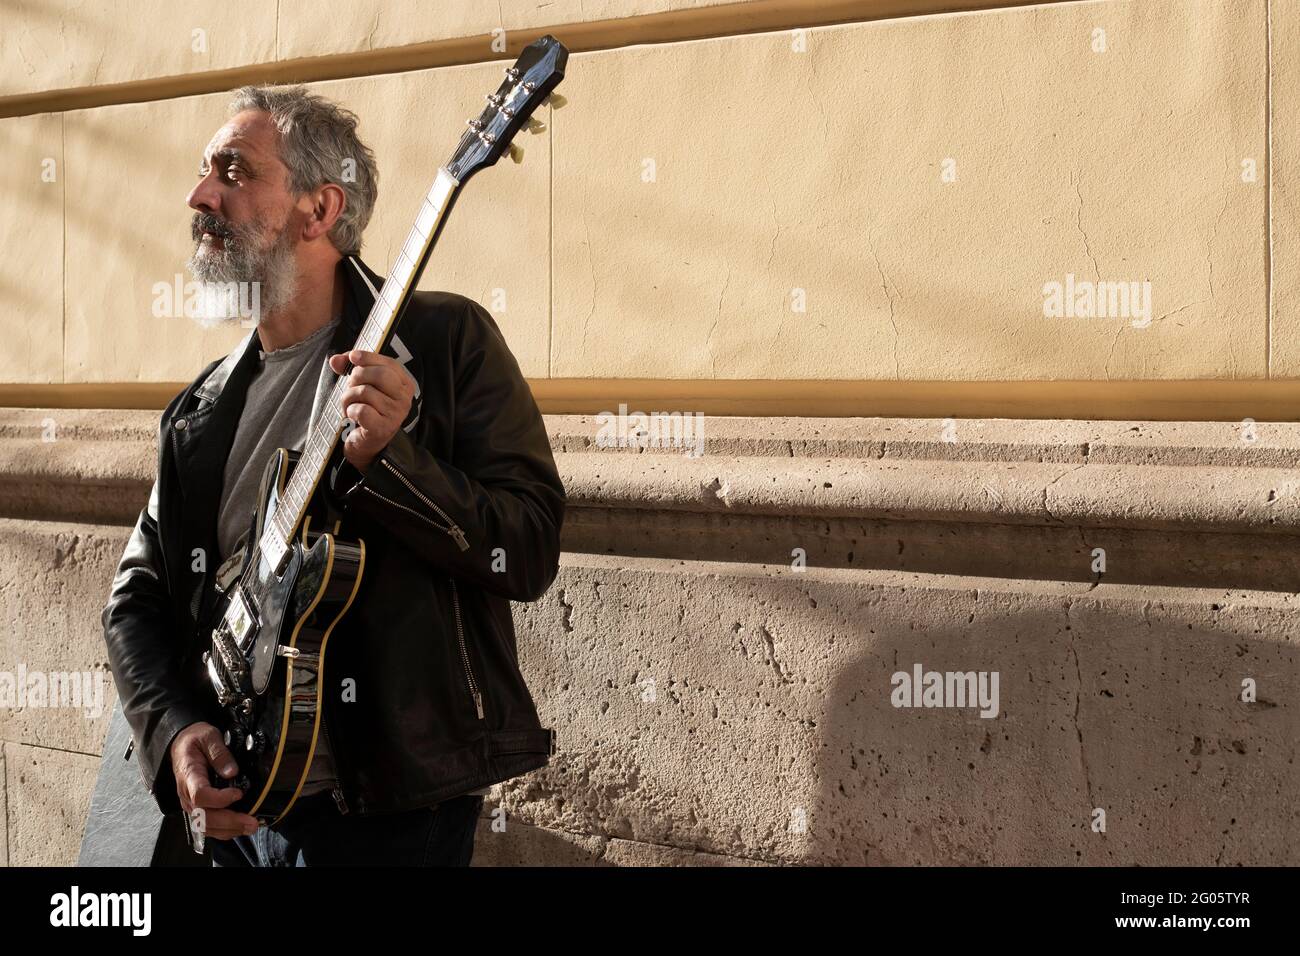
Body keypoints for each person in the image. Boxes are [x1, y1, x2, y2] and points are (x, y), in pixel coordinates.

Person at [101, 84, 565, 866]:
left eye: (233, 170)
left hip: (391, 812)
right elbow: (134, 602)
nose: (199, 193)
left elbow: (525, 547)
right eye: (205, 170)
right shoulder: (201, 411)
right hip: (235, 814)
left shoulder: (445, 344)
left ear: (319, 211)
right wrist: (175, 732)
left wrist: (394, 464)